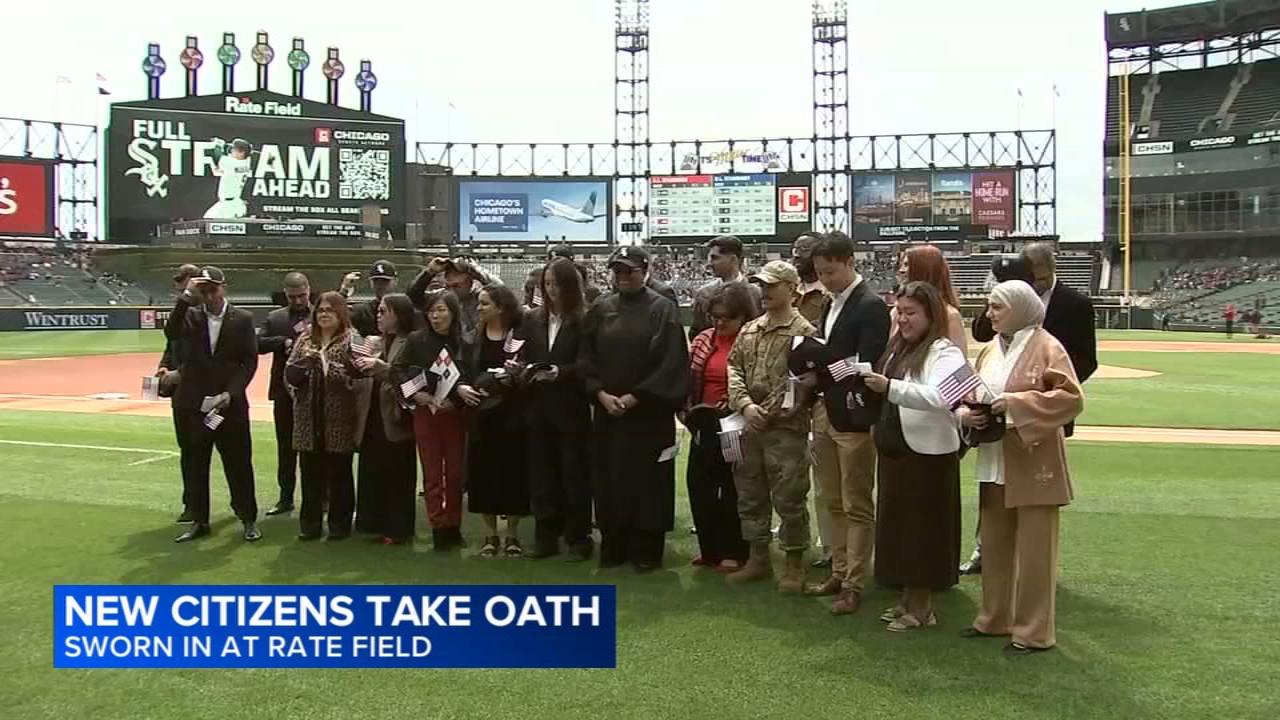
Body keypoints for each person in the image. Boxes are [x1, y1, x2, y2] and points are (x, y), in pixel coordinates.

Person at [958, 280, 1084, 656]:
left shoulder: (1048, 346)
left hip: (1033, 461)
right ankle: (995, 618)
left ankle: (1033, 632)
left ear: (1019, 307)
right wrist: (970, 413)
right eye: (989, 306)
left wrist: (1014, 404)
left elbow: (1071, 398)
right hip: (995, 458)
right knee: (994, 544)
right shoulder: (990, 350)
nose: (989, 314)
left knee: (1035, 552)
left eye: (997, 307)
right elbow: (974, 392)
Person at [859, 282, 965, 632]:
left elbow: (942, 397)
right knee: (899, 530)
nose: (902, 319)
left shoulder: (944, 351)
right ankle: (907, 599)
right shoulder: (898, 348)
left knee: (923, 533)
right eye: (899, 311)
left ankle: (922, 609)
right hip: (897, 452)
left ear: (931, 314)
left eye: (910, 313)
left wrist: (889, 387)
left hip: (928, 458)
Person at [579, 245, 689, 572]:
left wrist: (634, 397)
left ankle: (646, 549)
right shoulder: (601, 308)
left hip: (647, 414)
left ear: (645, 271)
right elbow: (586, 358)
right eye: (618, 271)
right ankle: (614, 544)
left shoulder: (662, 308)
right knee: (610, 479)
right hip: (608, 413)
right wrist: (599, 393)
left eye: (631, 271)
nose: (624, 277)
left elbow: (671, 363)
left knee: (649, 481)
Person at [805, 231, 891, 615]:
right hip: (825, 410)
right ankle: (839, 572)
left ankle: (854, 582)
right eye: (821, 273)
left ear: (850, 262)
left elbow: (868, 364)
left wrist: (824, 365)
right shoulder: (829, 303)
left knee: (856, 503)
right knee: (831, 499)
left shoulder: (870, 305)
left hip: (855, 415)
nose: (825, 279)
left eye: (831, 271)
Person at [725, 262, 816, 591]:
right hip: (749, 427)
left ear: (791, 290)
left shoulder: (804, 332)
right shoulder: (750, 329)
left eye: (772, 286)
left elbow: (804, 381)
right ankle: (758, 558)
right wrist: (746, 406)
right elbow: (733, 368)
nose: (764, 292)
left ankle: (794, 564)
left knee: (790, 496)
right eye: (761, 286)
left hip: (785, 431)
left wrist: (771, 411)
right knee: (750, 494)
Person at [163, 266, 261, 543]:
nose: (208, 296)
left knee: (239, 463)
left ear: (223, 287)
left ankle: (248, 517)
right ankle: (199, 519)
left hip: (230, 405)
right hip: (197, 403)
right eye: (203, 290)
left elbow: (249, 362)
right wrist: (186, 297)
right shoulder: (191, 316)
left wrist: (232, 392)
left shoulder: (242, 318)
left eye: (212, 289)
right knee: (196, 462)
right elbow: (171, 333)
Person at [520, 258, 595, 561]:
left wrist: (560, 373)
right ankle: (545, 536)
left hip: (572, 409)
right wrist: (523, 368)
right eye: (547, 284)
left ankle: (578, 537)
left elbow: (589, 364)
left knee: (574, 475)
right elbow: (523, 354)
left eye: (556, 284)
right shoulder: (533, 320)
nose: (551, 290)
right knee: (542, 474)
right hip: (538, 409)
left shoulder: (585, 320)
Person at [685, 281, 758, 573]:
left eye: (727, 316)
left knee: (732, 488)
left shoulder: (752, 342)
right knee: (699, 485)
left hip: (735, 424)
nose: (720, 322)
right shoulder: (703, 339)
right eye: (715, 316)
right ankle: (709, 548)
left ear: (743, 316)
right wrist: (688, 410)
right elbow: (689, 377)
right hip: (703, 422)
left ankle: (734, 549)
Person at [285, 292, 369, 541]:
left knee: (340, 475)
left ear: (341, 313)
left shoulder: (353, 339)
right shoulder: (304, 339)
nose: (323, 314)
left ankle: (340, 525)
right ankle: (310, 525)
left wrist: (334, 373)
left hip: (339, 419)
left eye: (329, 310)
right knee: (310, 474)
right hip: (307, 418)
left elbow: (363, 378)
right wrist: (303, 369)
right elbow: (288, 374)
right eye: (320, 310)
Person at [457, 284, 531, 557]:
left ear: (501, 307)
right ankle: (490, 535)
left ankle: (512, 535)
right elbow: (461, 371)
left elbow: (530, 369)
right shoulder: (471, 338)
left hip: (513, 416)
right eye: (479, 303)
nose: (479, 308)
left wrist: (514, 375)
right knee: (483, 476)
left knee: (513, 476)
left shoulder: (520, 337)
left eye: (485, 303)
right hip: (481, 416)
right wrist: (461, 388)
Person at [398, 289, 469, 551]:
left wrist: (457, 400)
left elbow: (469, 375)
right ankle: (437, 526)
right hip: (426, 414)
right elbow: (399, 372)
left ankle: (454, 525)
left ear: (453, 313)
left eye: (441, 310)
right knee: (431, 475)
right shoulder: (416, 340)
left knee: (455, 475)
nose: (436, 315)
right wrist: (418, 396)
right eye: (431, 310)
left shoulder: (465, 340)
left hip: (454, 416)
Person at [352, 293, 420, 545]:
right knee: (372, 469)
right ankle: (371, 523)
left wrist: (383, 369)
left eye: (384, 312)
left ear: (399, 314)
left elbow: (413, 378)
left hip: (397, 415)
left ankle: (397, 527)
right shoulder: (373, 341)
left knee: (397, 473)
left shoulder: (411, 341)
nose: (378, 316)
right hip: (371, 414)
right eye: (378, 311)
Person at [791, 232, 832, 568]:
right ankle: (792, 530)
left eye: (803, 251)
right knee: (786, 468)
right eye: (794, 251)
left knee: (824, 478)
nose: (797, 256)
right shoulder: (789, 292)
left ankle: (831, 545)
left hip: (819, 391)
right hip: (788, 392)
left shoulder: (828, 296)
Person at [257, 272, 312, 516]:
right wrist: (283, 342)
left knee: (314, 447)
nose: (298, 300)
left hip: (313, 391)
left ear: (308, 290)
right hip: (283, 392)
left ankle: (319, 497)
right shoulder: (275, 318)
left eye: (302, 295)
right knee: (285, 447)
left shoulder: (319, 314)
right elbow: (257, 345)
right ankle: (285, 497)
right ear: (286, 293)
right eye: (293, 296)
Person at [157, 262, 200, 523]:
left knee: (220, 452)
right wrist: (164, 365)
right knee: (188, 451)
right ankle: (192, 504)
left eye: (185, 281)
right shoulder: (179, 313)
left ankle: (239, 506)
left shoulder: (204, 313)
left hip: (205, 394)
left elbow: (207, 356)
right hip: (181, 395)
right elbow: (170, 343)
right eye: (180, 282)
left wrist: (181, 372)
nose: (180, 286)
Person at [894, 245, 967, 356]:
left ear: (923, 269)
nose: (901, 270)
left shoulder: (949, 316)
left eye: (907, 265)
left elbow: (960, 366)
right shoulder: (896, 312)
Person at [688, 235, 761, 339]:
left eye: (715, 258)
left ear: (733, 259)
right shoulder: (704, 294)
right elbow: (696, 334)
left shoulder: (757, 294)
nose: (709, 263)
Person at [408, 257, 503, 335]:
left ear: (470, 278)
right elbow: (413, 297)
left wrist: (476, 270)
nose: (452, 291)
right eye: (449, 286)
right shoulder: (441, 296)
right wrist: (429, 272)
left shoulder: (482, 296)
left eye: (457, 286)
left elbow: (501, 290)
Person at [341, 260, 399, 338]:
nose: (380, 286)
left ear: (395, 281)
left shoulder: (405, 308)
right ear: (371, 283)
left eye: (385, 281)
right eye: (376, 281)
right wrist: (344, 291)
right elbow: (336, 318)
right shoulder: (362, 312)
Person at [203, 139, 253, 219]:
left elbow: (217, 156)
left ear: (242, 153)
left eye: (234, 149)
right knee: (207, 218)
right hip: (230, 203)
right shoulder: (244, 163)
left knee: (210, 222)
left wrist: (218, 145)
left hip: (230, 205)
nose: (231, 151)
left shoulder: (233, 163)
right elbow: (226, 156)